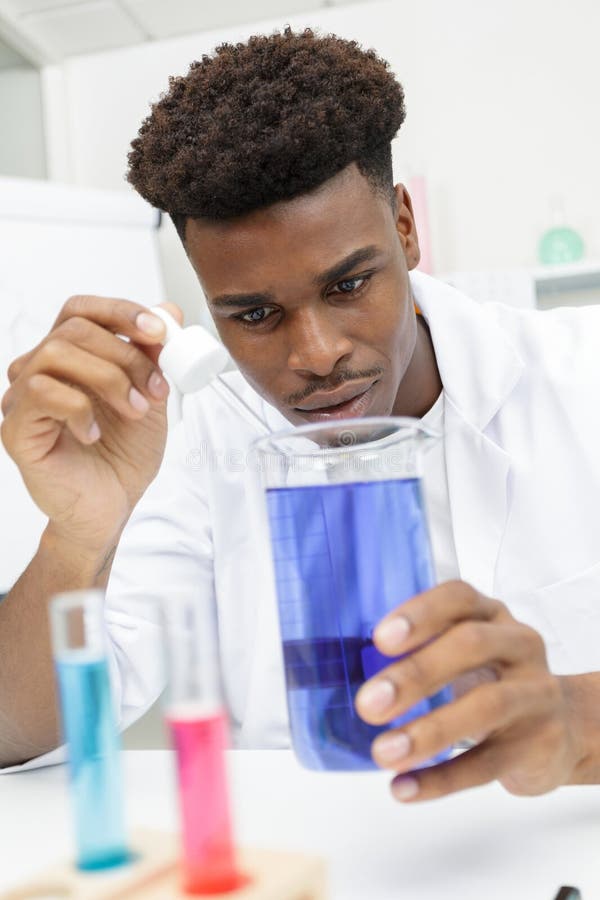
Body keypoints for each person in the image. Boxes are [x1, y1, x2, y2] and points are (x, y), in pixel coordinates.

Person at [2, 28, 600, 802]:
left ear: (407, 229)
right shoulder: (198, 437)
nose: (315, 355)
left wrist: (576, 716)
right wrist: (77, 538)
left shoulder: (580, 378)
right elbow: (14, 734)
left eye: (348, 286)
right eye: (254, 314)